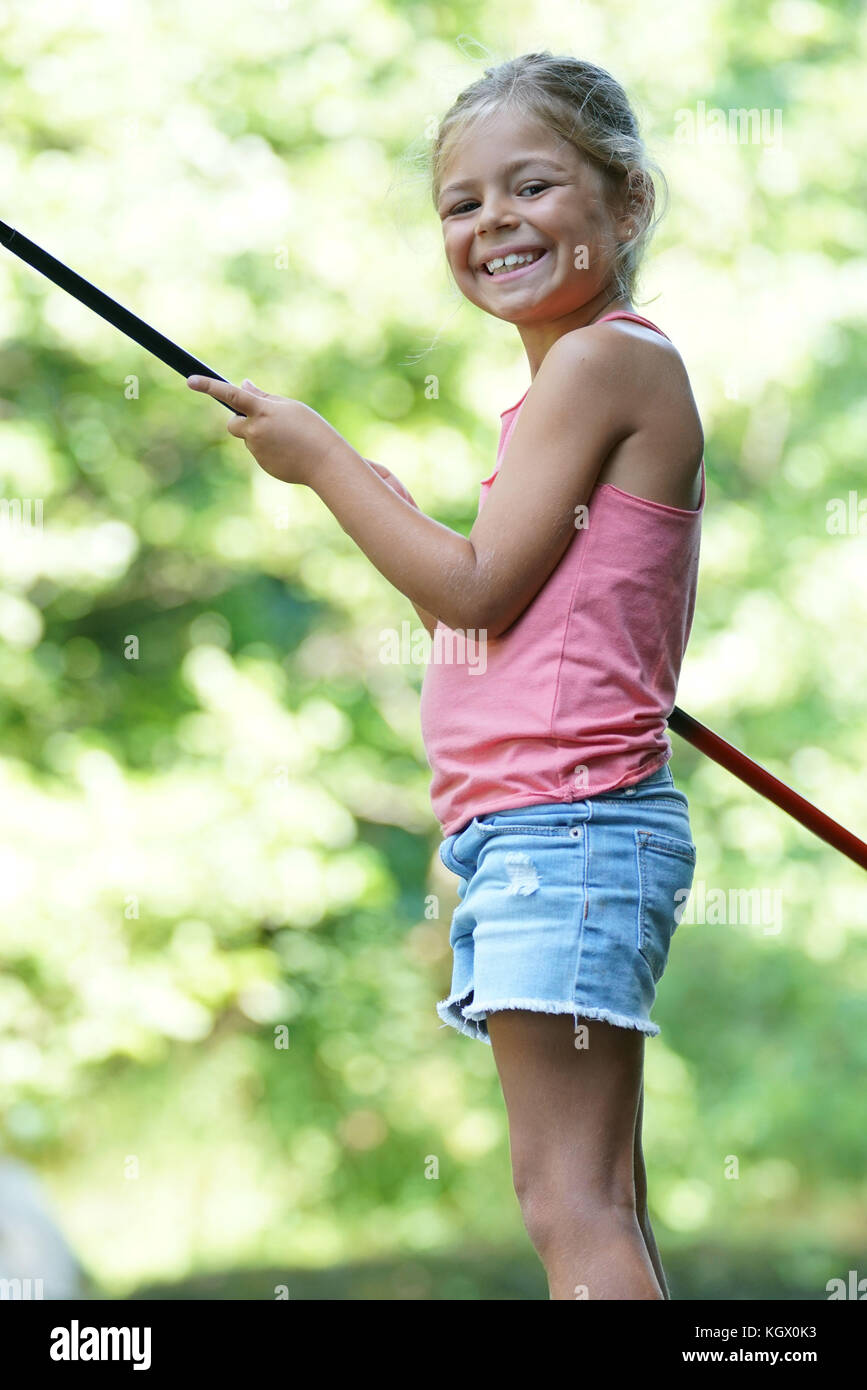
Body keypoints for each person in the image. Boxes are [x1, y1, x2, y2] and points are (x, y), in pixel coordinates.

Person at [186, 51, 706, 1301]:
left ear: (625, 203)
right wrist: (392, 504)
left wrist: (325, 463)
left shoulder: (603, 363)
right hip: (556, 826)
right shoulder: (581, 383)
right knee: (603, 1203)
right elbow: (503, 612)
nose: (492, 224)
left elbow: (468, 592)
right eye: (461, 205)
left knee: (569, 1207)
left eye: (531, 185)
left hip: (565, 827)